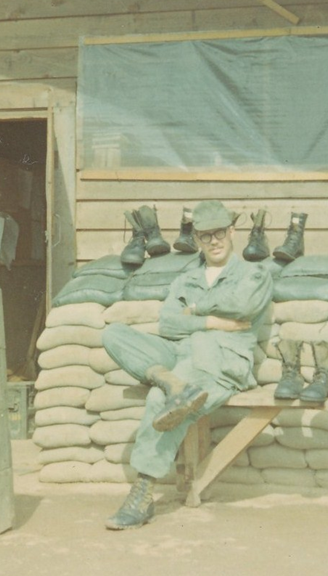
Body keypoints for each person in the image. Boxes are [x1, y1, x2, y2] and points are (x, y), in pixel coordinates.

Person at [100, 199, 273, 530]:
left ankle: (142, 493)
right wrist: (212, 321)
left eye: (220, 232)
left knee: (158, 400)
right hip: (180, 352)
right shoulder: (186, 279)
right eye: (205, 236)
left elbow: (243, 306)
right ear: (196, 239)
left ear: (232, 232)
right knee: (115, 334)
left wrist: (193, 311)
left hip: (219, 360)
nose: (214, 241)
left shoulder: (254, 273)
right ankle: (170, 380)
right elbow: (167, 324)